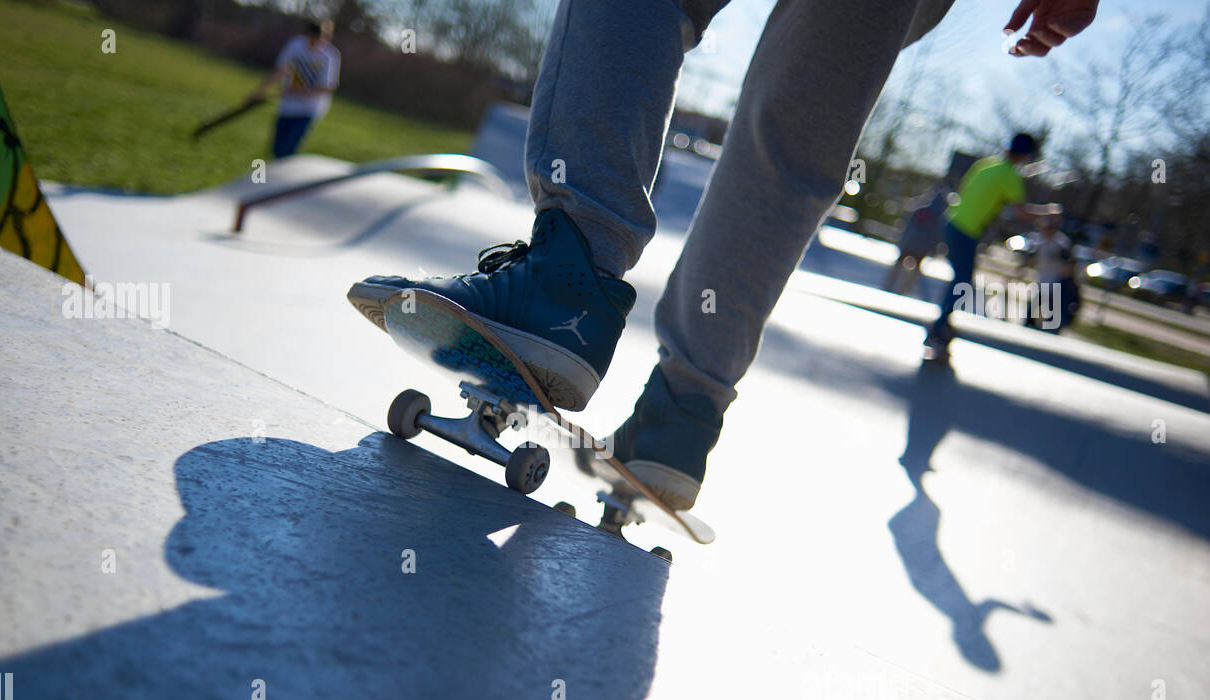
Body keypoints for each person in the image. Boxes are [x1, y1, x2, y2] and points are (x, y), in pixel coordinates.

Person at [350, 0, 1099, 512]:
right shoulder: (1007, 173)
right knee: (797, 127)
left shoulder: (993, 171)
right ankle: (683, 415)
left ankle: (564, 287)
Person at [926, 131, 1064, 356]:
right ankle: (939, 328)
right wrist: (1047, 211)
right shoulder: (1010, 176)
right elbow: (1021, 213)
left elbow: (968, 191)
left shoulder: (986, 164)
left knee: (960, 278)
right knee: (962, 280)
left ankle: (943, 323)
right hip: (966, 230)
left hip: (951, 222)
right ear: (1025, 156)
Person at [252, 20, 340, 159]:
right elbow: (280, 70)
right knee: (276, 148)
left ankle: (283, 177)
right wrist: (260, 91)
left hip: (309, 109)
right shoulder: (295, 45)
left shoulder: (330, 56)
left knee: (287, 149)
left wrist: (303, 91)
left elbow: (328, 87)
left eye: (322, 36)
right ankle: (275, 176)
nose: (316, 41)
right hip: (287, 104)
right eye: (314, 36)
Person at [885, 183, 952, 297]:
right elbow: (937, 235)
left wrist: (903, 239)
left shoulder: (920, 208)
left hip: (909, 242)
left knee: (899, 265)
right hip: (922, 247)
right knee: (914, 271)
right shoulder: (940, 217)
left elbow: (908, 226)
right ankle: (904, 291)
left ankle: (888, 286)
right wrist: (934, 249)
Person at [1027, 215, 1078, 332]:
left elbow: (1069, 266)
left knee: (1050, 314)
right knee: (1031, 313)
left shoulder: (1061, 244)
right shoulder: (1040, 241)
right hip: (1042, 281)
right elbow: (1033, 259)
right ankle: (1029, 328)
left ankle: (1048, 331)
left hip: (1055, 284)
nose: (1044, 231)